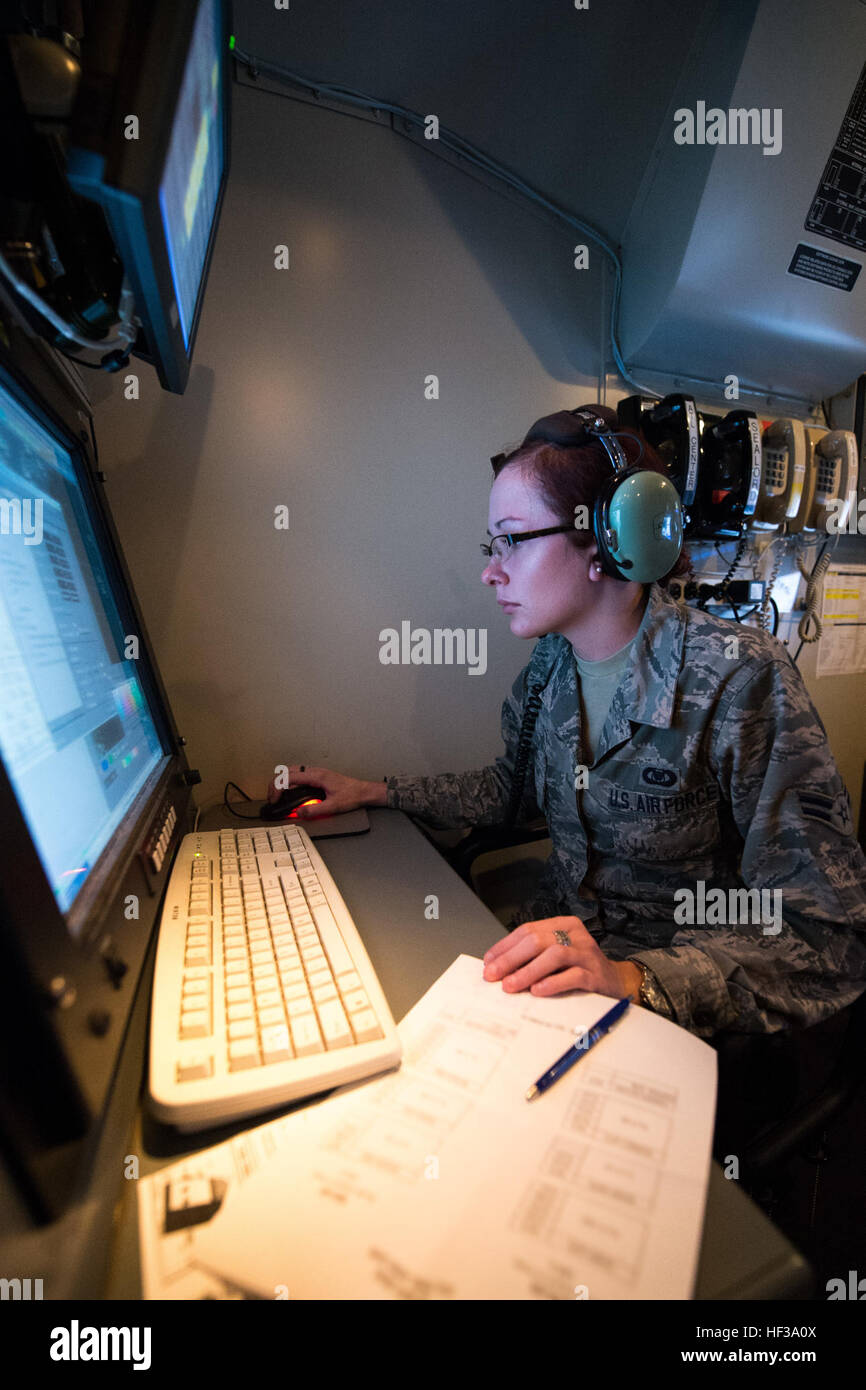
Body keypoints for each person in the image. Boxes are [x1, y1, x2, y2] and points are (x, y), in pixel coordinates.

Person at [268, 404, 866, 1053]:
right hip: (553, 963)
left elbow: (826, 936)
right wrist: (373, 792)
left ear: (612, 538)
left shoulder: (740, 681)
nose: (489, 571)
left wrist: (635, 977)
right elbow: (510, 790)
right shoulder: (551, 665)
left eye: (512, 540)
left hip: (670, 1004)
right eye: (488, 545)